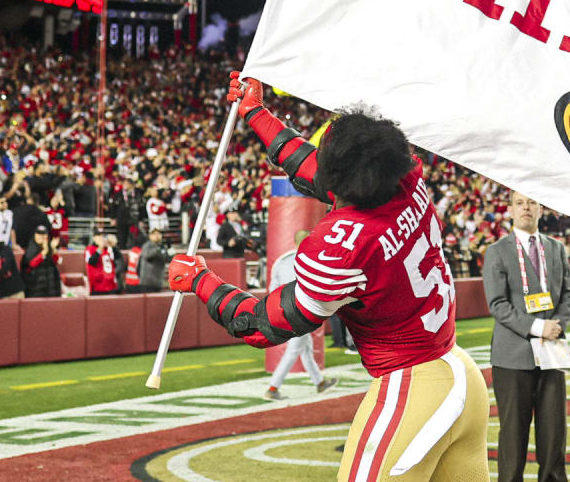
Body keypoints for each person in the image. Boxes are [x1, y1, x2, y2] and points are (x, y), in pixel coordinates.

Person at [169, 72, 488, 481]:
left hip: (413, 386)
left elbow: (261, 325)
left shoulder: (345, 244)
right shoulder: (406, 181)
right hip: (461, 371)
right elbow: (317, 170)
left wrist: (201, 280)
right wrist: (255, 113)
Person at [482, 190, 570, 482]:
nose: (526, 207)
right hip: (513, 356)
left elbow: (569, 294)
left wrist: (556, 326)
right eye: (520, 203)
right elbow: (497, 304)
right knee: (513, 434)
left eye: (532, 202)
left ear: (540, 209)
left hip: (551, 351)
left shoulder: (556, 248)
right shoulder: (497, 251)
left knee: (554, 431)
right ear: (510, 210)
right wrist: (538, 327)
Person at [262, 232, 338, 400]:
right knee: (294, 351)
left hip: (284, 311)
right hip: (301, 313)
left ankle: (320, 383)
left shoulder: (282, 261)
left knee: (306, 349)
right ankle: (273, 388)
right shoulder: (312, 260)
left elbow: (272, 289)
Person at [20, 224, 61, 297]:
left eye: (43, 235)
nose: (41, 237)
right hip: (34, 289)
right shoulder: (31, 248)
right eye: (38, 234)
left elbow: (56, 261)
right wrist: (44, 252)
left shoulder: (49, 247)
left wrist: (53, 249)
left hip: (51, 288)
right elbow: (31, 264)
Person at [139, 226, 171, 292]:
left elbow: (168, 259)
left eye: (158, 233)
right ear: (150, 236)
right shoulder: (147, 246)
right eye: (154, 234)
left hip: (158, 282)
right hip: (147, 283)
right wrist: (157, 248)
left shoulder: (162, 246)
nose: (157, 236)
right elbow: (147, 256)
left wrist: (170, 248)